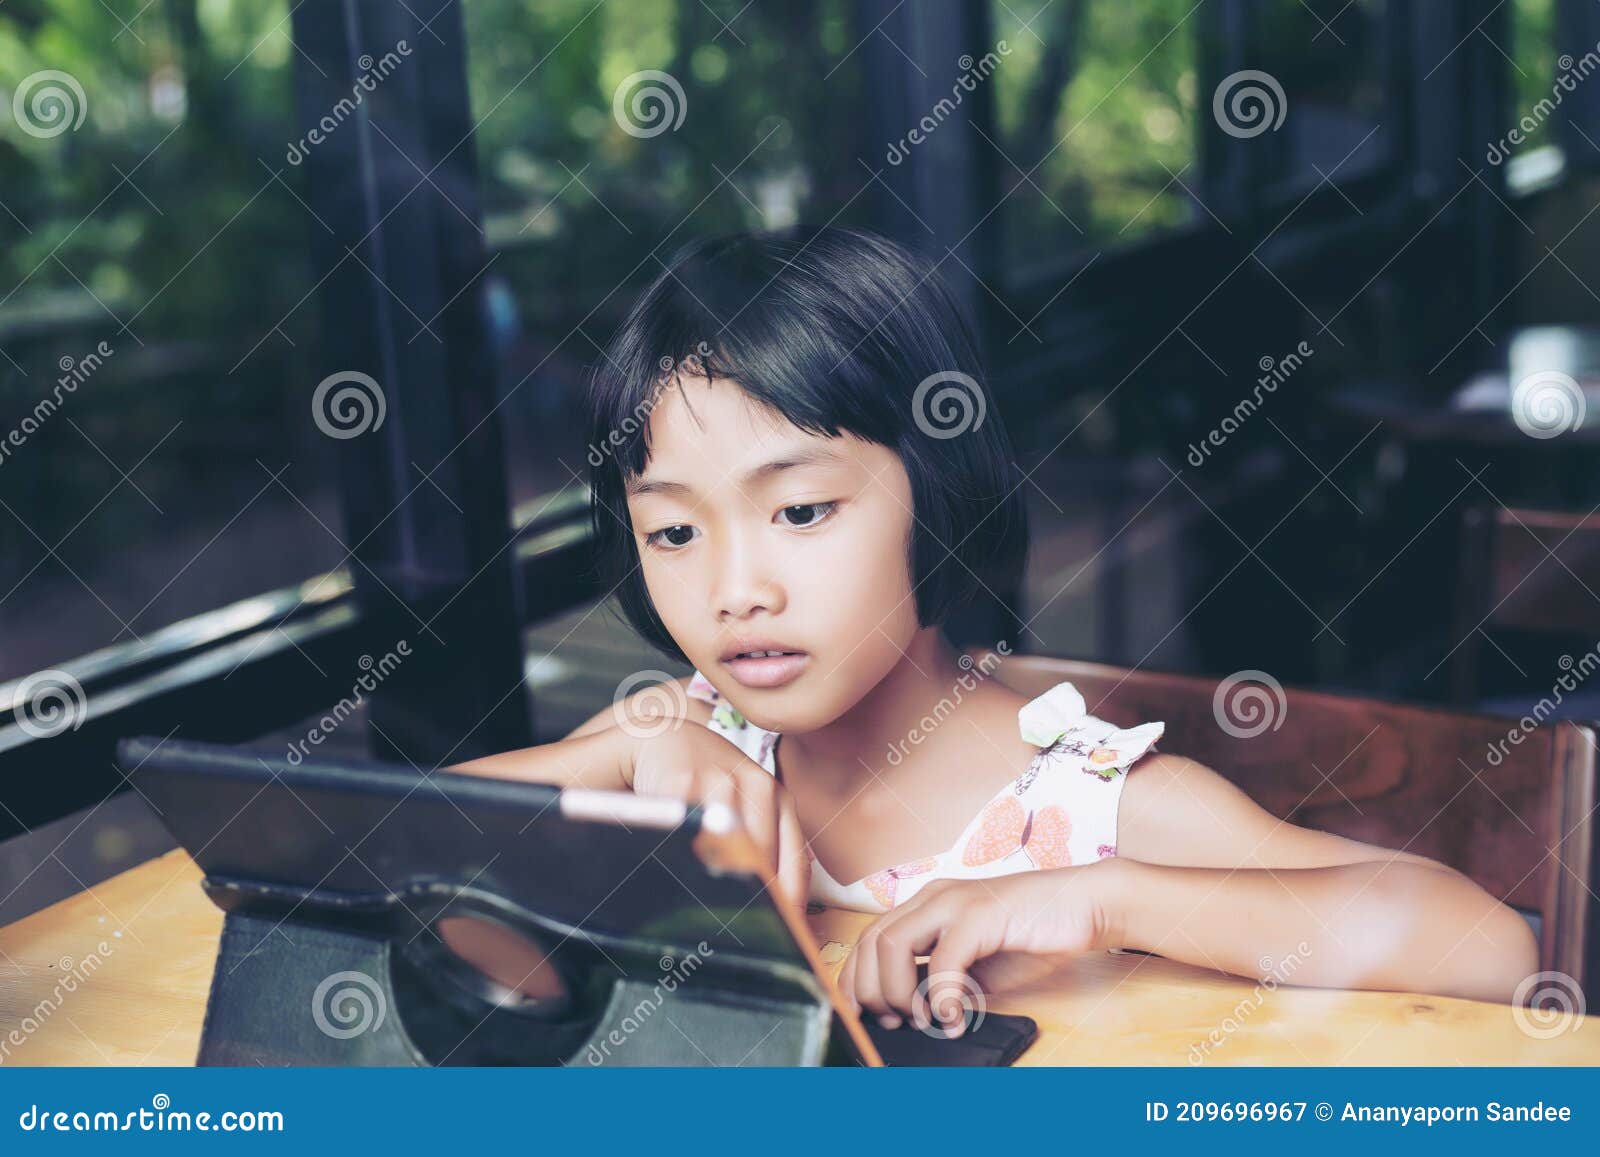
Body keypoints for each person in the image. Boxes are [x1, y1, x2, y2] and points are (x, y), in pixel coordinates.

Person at [452, 225, 1537, 1033]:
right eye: (676, 529)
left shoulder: (1076, 806)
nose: (737, 588)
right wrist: (633, 741)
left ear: (939, 489)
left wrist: (1097, 900)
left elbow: (1486, 948)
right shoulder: (691, 750)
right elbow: (363, 871)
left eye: (798, 512)